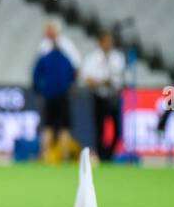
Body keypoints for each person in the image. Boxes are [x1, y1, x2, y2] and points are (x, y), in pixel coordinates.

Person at [34, 21, 80, 163]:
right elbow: (74, 69)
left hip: (56, 93)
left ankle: (59, 155)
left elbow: (36, 73)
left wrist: (40, 89)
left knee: (57, 126)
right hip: (55, 94)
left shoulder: (62, 47)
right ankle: (47, 155)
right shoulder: (47, 48)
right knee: (54, 126)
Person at [79, 30, 126, 161]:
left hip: (114, 96)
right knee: (99, 129)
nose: (109, 44)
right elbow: (86, 78)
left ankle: (110, 154)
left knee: (118, 129)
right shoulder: (92, 58)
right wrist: (101, 82)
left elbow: (121, 76)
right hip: (99, 96)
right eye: (106, 41)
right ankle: (101, 155)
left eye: (110, 41)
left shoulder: (118, 57)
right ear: (100, 42)